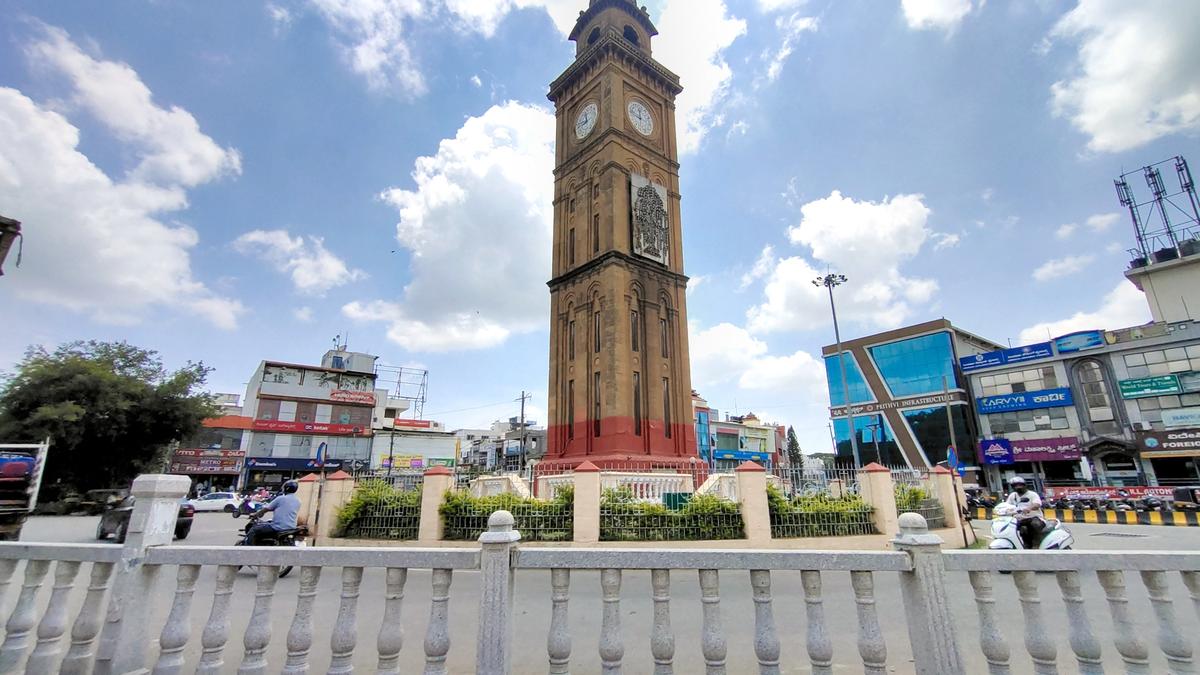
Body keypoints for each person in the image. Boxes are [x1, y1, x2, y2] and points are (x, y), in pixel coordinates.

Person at [244, 480, 301, 545]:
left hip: (278, 527)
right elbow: (284, 509)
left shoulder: (280, 498)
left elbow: (266, 509)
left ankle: (248, 549)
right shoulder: (298, 501)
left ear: (286, 488)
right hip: (291, 527)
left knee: (253, 530)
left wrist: (255, 514)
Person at [1005, 477, 1044, 549]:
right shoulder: (1012, 495)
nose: (1018, 487)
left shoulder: (1032, 494)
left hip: (1033, 518)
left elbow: (1037, 504)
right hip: (1018, 519)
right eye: (1016, 485)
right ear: (1013, 487)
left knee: (1035, 524)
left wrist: (1029, 508)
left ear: (1025, 485)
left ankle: (1036, 544)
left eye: (1020, 485)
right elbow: (1007, 505)